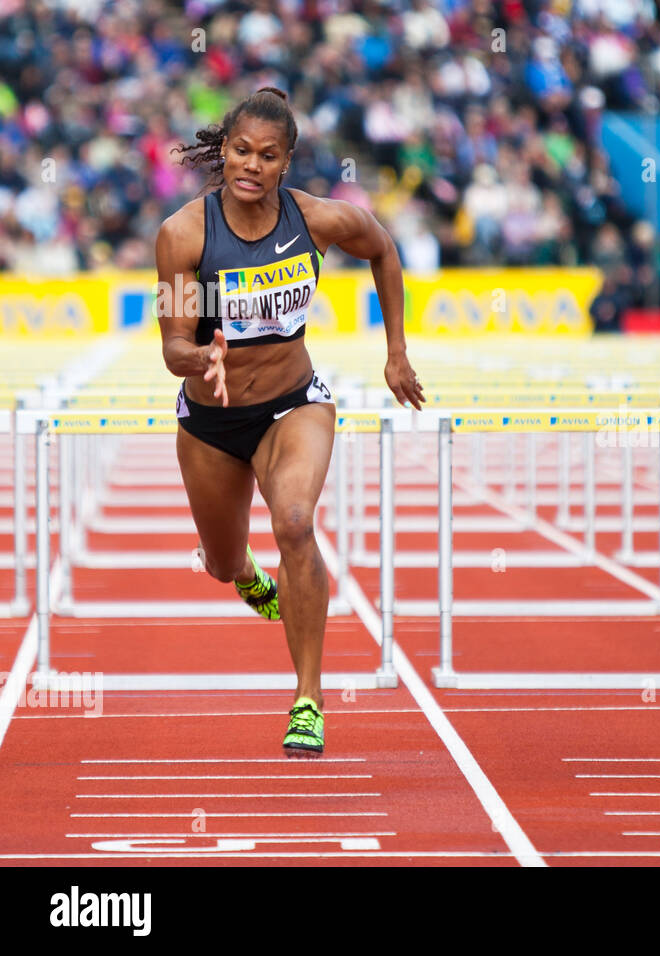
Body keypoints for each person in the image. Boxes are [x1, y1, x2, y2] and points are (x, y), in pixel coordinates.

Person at [155, 88, 425, 757]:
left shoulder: (318, 220)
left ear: (287, 161)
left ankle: (308, 698)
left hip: (293, 404)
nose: (250, 165)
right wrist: (200, 356)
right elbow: (171, 346)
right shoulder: (184, 234)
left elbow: (384, 251)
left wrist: (396, 351)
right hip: (212, 422)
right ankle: (245, 574)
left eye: (267, 155)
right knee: (219, 564)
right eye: (240, 150)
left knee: (297, 522)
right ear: (224, 151)